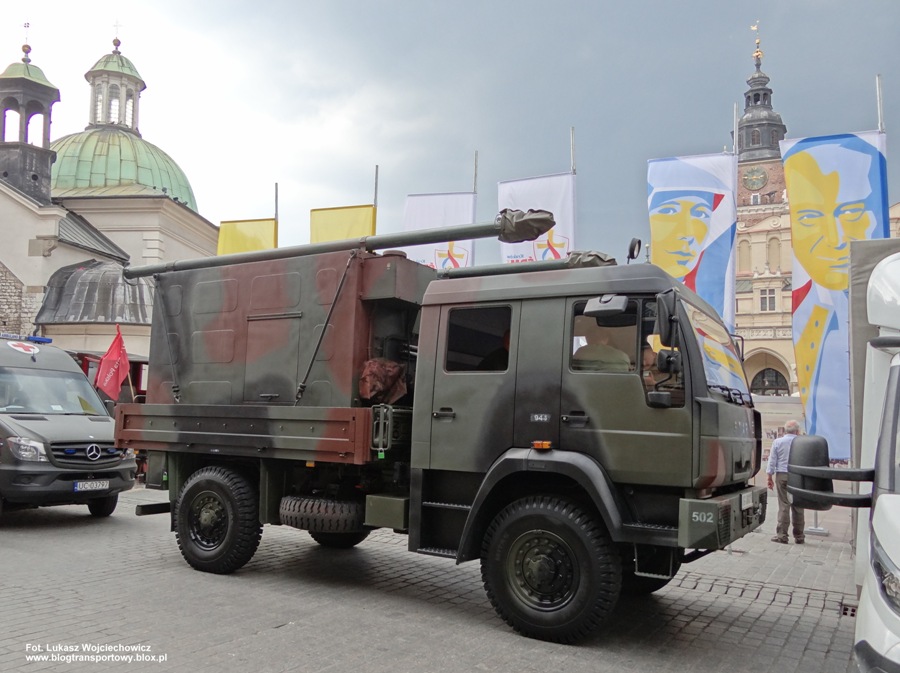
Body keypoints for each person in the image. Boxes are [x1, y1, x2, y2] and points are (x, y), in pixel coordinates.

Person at [783, 134, 888, 456]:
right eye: (811, 217)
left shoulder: (885, 313)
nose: (836, 237)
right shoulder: (809, 316)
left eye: (853, 212)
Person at [766, 419, 805, 544]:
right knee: (798, 506)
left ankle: (782, 535)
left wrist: (769, 477)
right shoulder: (802, 442)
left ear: (785, 430)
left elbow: (772, 460)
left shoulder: (778, 442)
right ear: (798, 431)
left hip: (782, 475)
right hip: (798, 476)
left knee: (784, 505)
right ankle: (799, 536)